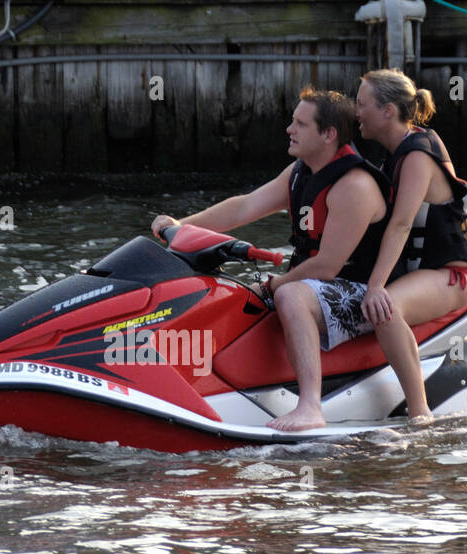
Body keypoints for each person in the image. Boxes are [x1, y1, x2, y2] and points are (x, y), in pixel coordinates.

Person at [151, 87, 388, 431]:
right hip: (314, 286)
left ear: (328, 134)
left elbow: (328, 267)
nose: (289, 130)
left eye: (300, 124)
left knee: (287, 294)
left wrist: (272, 286)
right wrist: (180, 226)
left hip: (361, 293)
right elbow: (245, 206)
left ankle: (310, 408)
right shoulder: (300, 173)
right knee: (224, 294)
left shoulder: (354, 185)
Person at [353, 69, 467, 421]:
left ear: (388, 111)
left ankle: (420, 414)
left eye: (362, 104)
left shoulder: (417, 156)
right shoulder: (394, 154)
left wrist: (376, 287)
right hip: (424, 276)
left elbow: (401, 224)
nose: (356, 112)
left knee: (385, 308)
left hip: (449, 279)